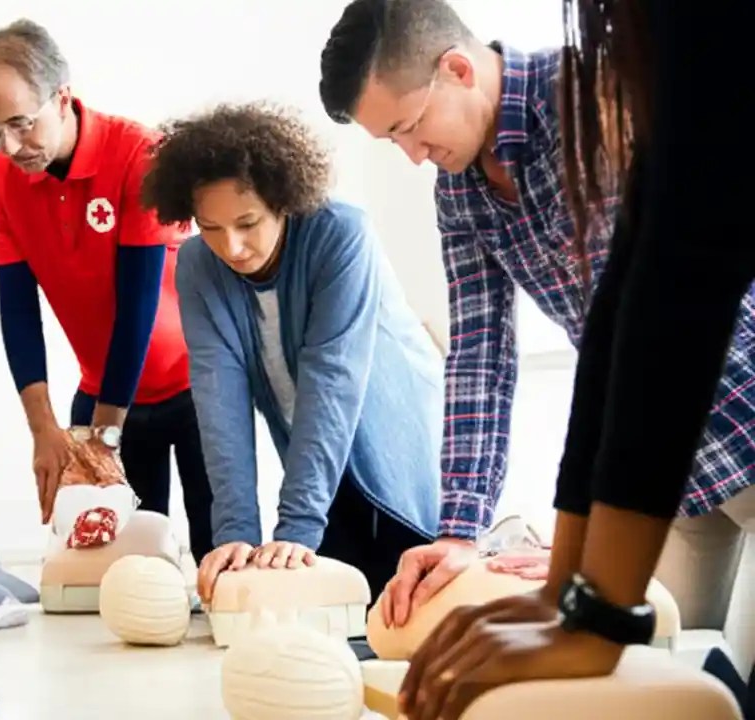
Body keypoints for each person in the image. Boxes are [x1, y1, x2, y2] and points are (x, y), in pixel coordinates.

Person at [324, 1, 755, 717]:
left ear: (456, 69)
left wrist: (584, 592)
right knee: (645, 692)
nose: (411, 155)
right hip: (654, 475)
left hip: (736, 420)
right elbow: (481, 361)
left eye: (408, 127)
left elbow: (667, 305)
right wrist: (464, 532)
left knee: (736, 680)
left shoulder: (595, 97)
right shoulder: (460, 191)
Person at [140, 102, 443, 604]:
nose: (231, 247)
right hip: (314, 468)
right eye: (210, 227)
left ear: (282, 200)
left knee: (410, 617)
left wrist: (297, 526)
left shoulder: (340, 234)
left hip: (398, 457)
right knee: (337, 620)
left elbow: (332, 381)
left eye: (247, 223)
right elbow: (219, 401)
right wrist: (236, 533)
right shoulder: (196, 265)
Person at [0, 19, 215, 563]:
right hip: (103, 388)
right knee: (124, 562)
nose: (9, 146)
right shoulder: (1, 178)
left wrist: (102, 440)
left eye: (20, 123)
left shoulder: (136, 152)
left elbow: (138, 308)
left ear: (62, 98)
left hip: (196, 386)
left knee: (214, 552)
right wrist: (45, 429)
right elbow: (17, 308)